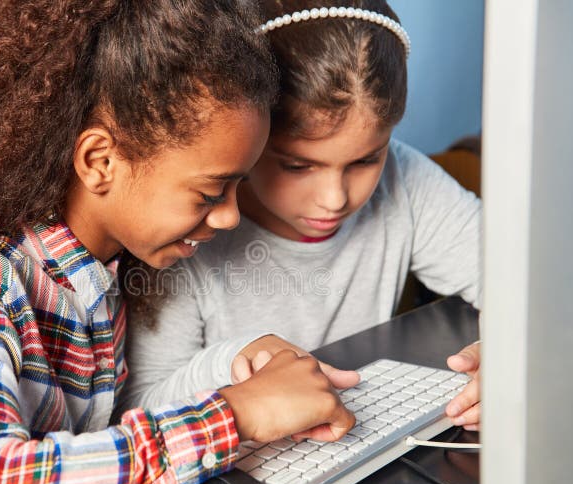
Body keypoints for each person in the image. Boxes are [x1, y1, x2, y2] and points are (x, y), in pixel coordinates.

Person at [0, 1, 358, 484]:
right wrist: (235, 415)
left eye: (238, 187)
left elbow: (108, 445)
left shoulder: (104, 270)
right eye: (210, 191)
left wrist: (231, 368)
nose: (230, 217)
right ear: (100, 162)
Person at [123, 0, 483, 434]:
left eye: (366, 161)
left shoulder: (404, 181)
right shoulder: (186, 231)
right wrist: (237, 361)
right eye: (298, 166)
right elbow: (139, 411)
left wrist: (506, 351)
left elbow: (527, 285)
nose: (334, 199)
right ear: (246, 133)